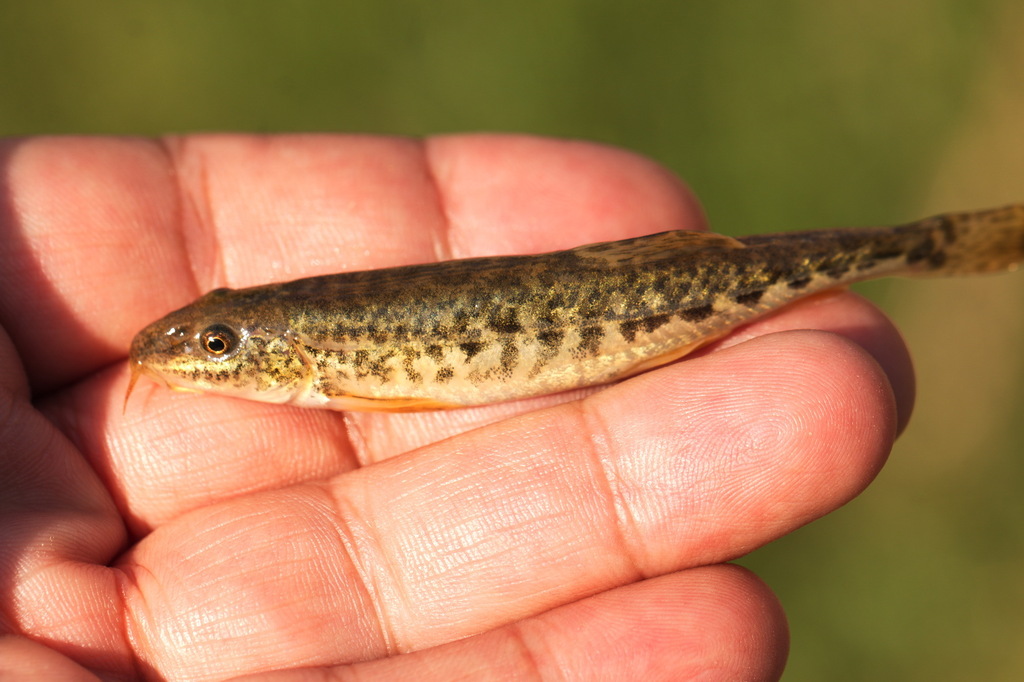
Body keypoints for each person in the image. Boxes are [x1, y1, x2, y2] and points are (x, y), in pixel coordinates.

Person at [0, 134, 912, 680]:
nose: (191, 360)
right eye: (214, 342)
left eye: (216, 347)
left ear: (295, 351)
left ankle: (922, 246)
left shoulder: (330, 365)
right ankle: (920, 245)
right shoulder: (299, 350)